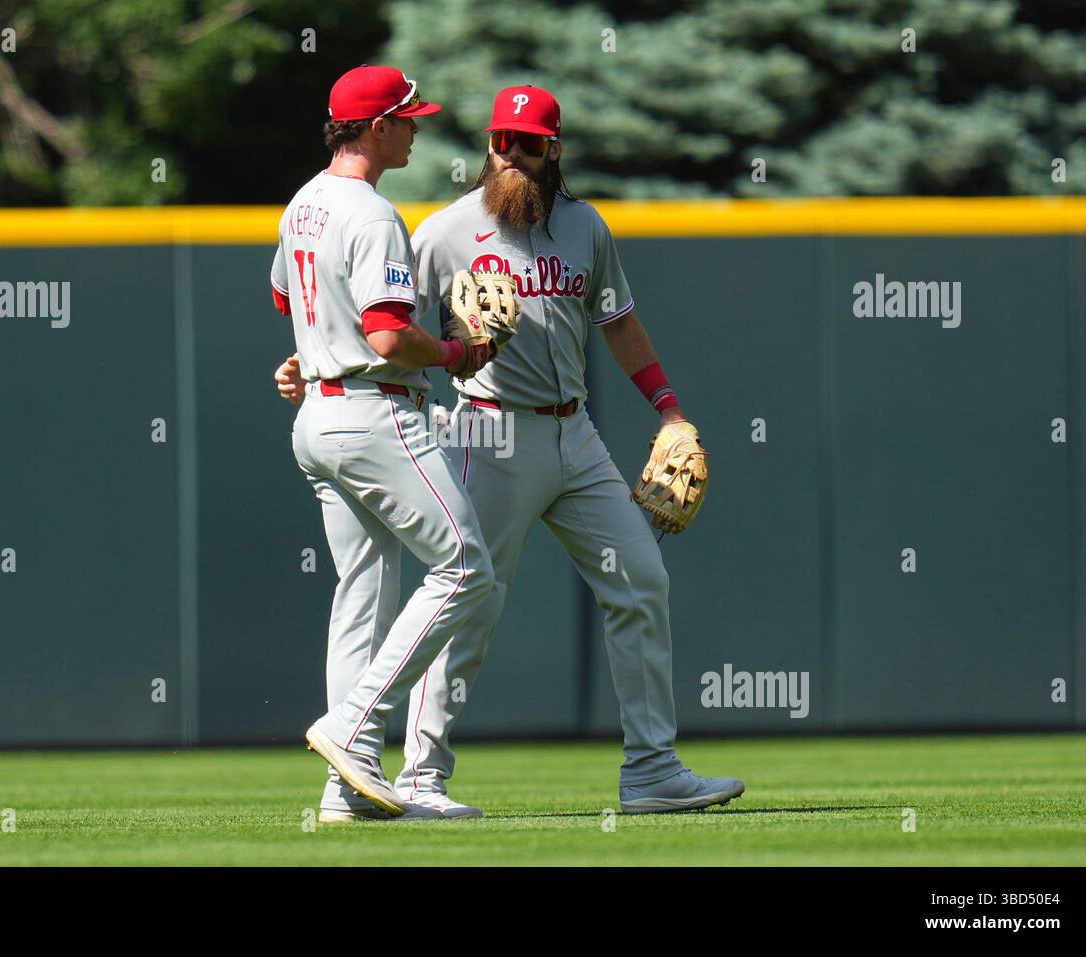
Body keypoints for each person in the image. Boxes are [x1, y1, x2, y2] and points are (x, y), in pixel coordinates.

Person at [277, 85, 744, 815]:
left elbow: (620, 324)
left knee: (642, 580)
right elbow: (372, 317)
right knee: (471, 600)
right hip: (489, 432)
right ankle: (422, 774)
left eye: (527, 143)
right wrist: (312, 361)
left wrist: (670, 409)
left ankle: (651, 769)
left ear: (552, 150)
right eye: (501, 140)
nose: (511, 154)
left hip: (576, 435)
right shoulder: (443, 230)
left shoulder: (586, 228)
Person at [270, 65, 496, 823]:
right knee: (467, 566)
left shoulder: (303, 202)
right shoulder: (372, 214)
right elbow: (390, 334)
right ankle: (353, 727)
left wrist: (310, 348)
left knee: (361, 598)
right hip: (374, 412)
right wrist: (459, 355)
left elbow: (287, 296)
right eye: (407, 117)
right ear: (375, 128)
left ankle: (346, 792)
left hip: (319, 420)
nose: (417, 127)